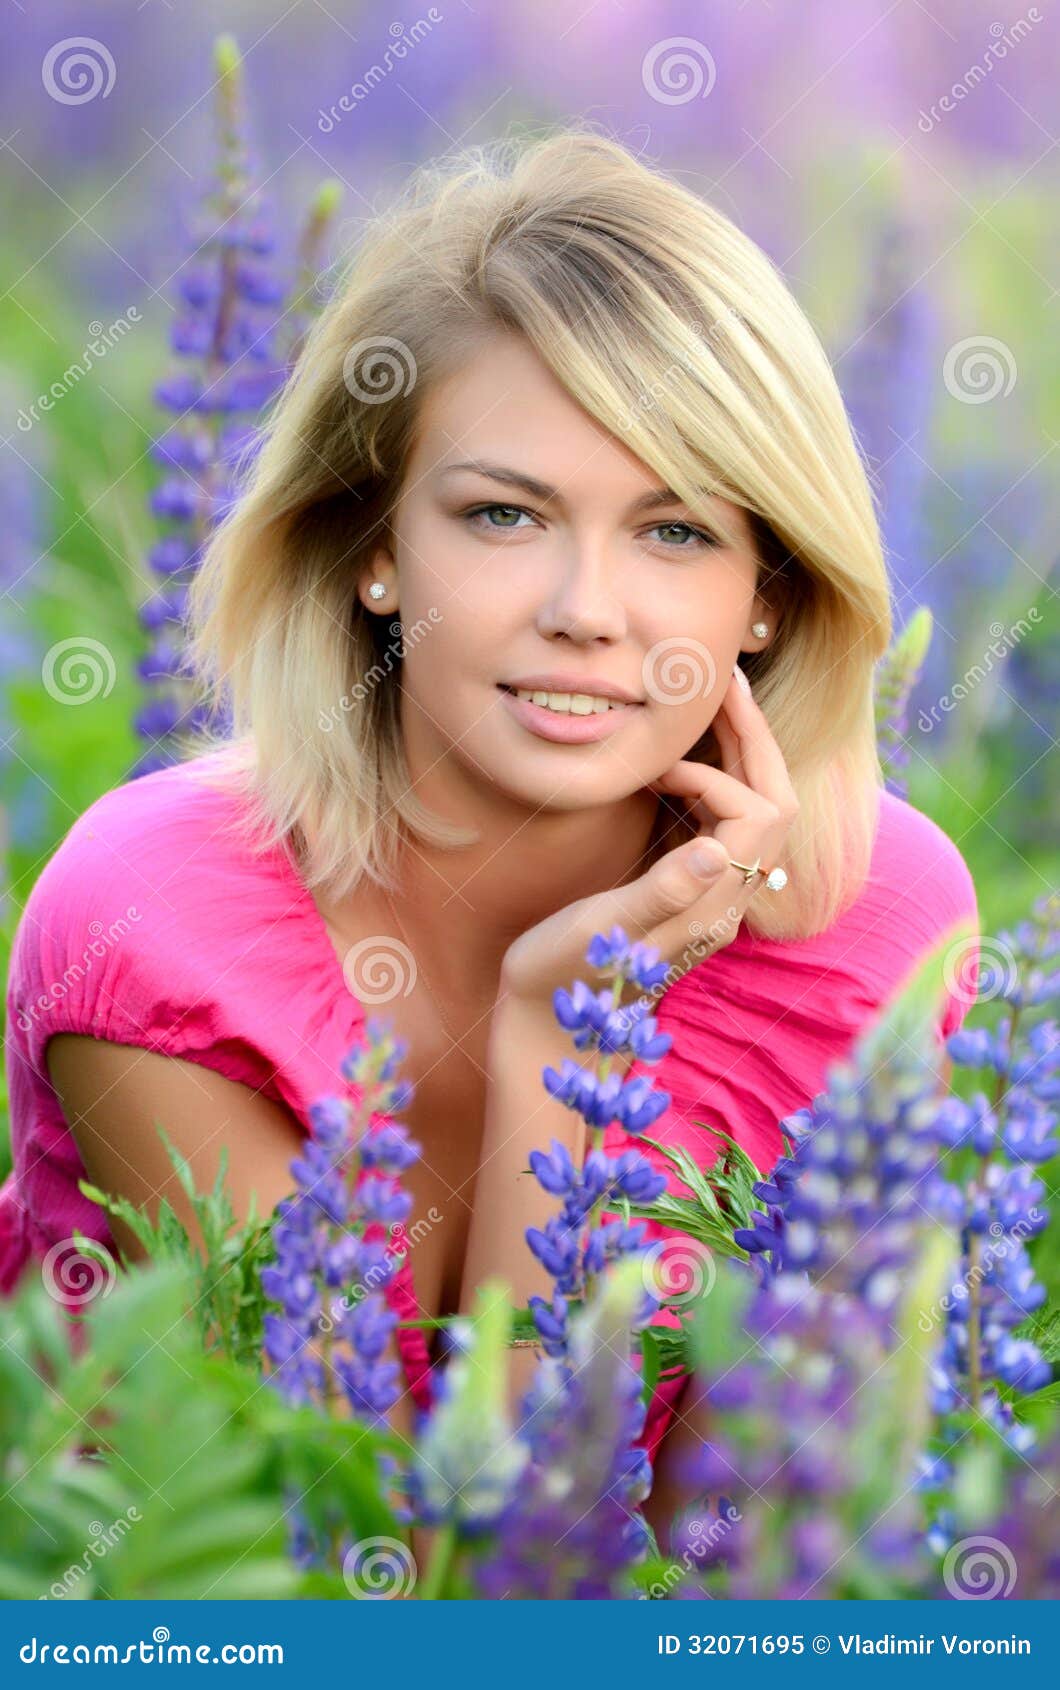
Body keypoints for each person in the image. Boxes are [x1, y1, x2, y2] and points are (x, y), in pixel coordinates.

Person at [0, 125, 978, 1552]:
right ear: (376, 548)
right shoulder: (155, 924)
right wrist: (558, 1047)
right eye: (504, 513)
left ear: (768, 589)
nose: (587, 606)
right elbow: (381, 1572)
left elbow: (753, 1575)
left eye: (676, 532)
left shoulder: (864, 924)